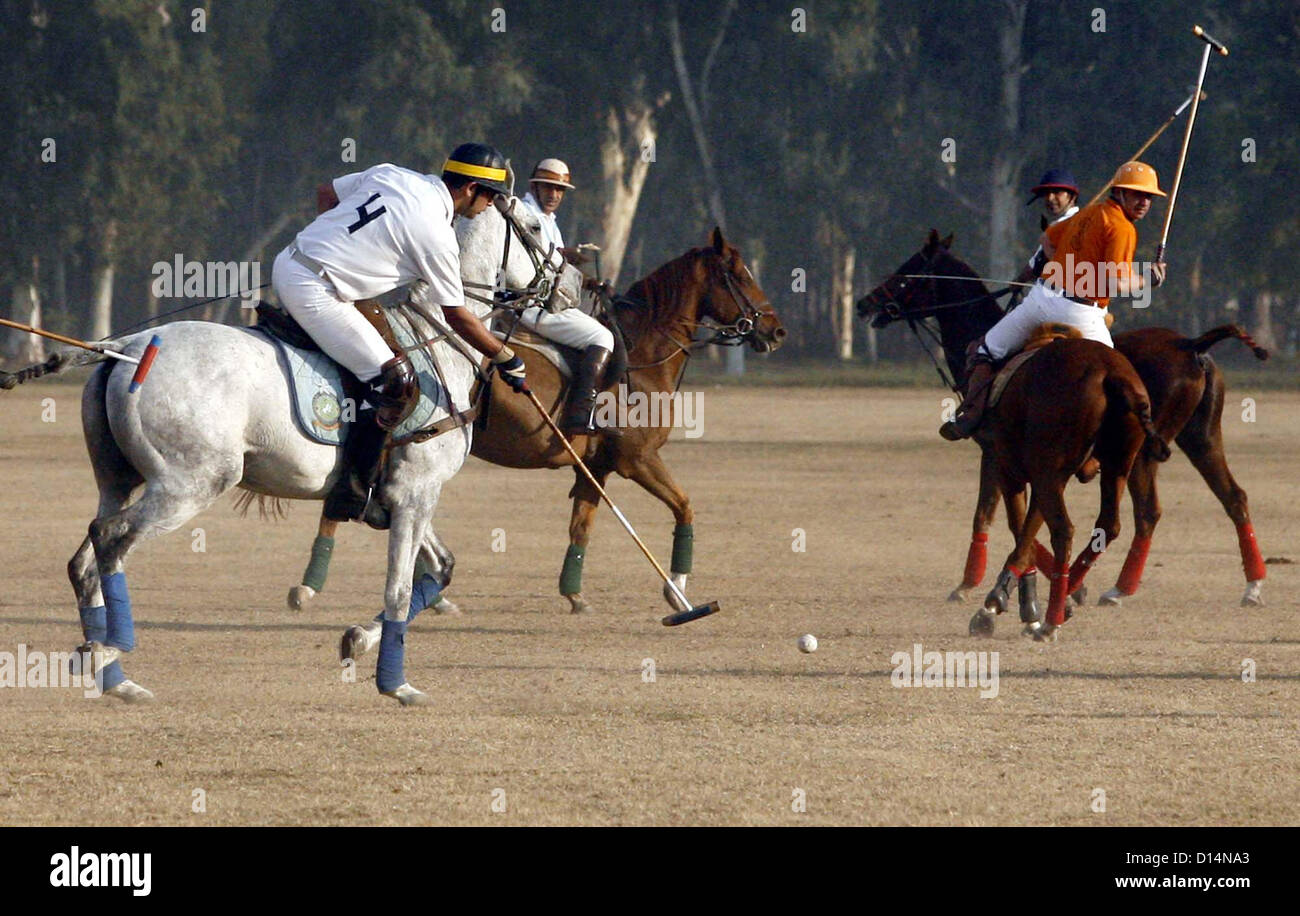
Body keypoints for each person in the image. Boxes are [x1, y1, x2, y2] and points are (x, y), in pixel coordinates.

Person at [272, 143, 529, 528]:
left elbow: (326, 193)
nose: (491, 205)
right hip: (316, 293)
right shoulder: (438, 236)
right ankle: (355, 490)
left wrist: (332, 244)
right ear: (471, 189)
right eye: (490, 195)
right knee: (395, 378)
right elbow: (456, 314)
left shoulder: (394, 173)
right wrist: (506, 356)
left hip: (289, 261)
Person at [940, 161, 1168, 441]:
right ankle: (1116, 447)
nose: (1144, 202)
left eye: (1149, 197)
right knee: (1121, 380)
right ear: (1119, 192)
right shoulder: (1122, 227)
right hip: (1080, 313)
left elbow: (1047, 240)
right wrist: (1149, 278)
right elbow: (1116, 283)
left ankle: (971, 416)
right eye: (1137, 194)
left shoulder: (1089, 212)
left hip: (1040, 300)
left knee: (985, 350)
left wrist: (1071, 262)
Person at [514, 158, 618, 436]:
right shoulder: (524, 214)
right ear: (534, 187)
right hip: (529, 303)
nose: (554, 195)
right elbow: (527, 263)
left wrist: (591, 283)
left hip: (546, 300)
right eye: (548, 187)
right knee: (603, 338)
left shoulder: (549, 221)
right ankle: (580, 415)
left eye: (560, 190)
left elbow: (557, 270)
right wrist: (563, 256)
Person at [1011, 168, 1080, 294]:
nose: (1050, 198)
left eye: (1057, 192)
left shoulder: (1067, 225)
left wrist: (1018, 281)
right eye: (1046, 193)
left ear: (1072, 196)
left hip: (1062, 300)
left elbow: (1035, 265)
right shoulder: (1076, 221)